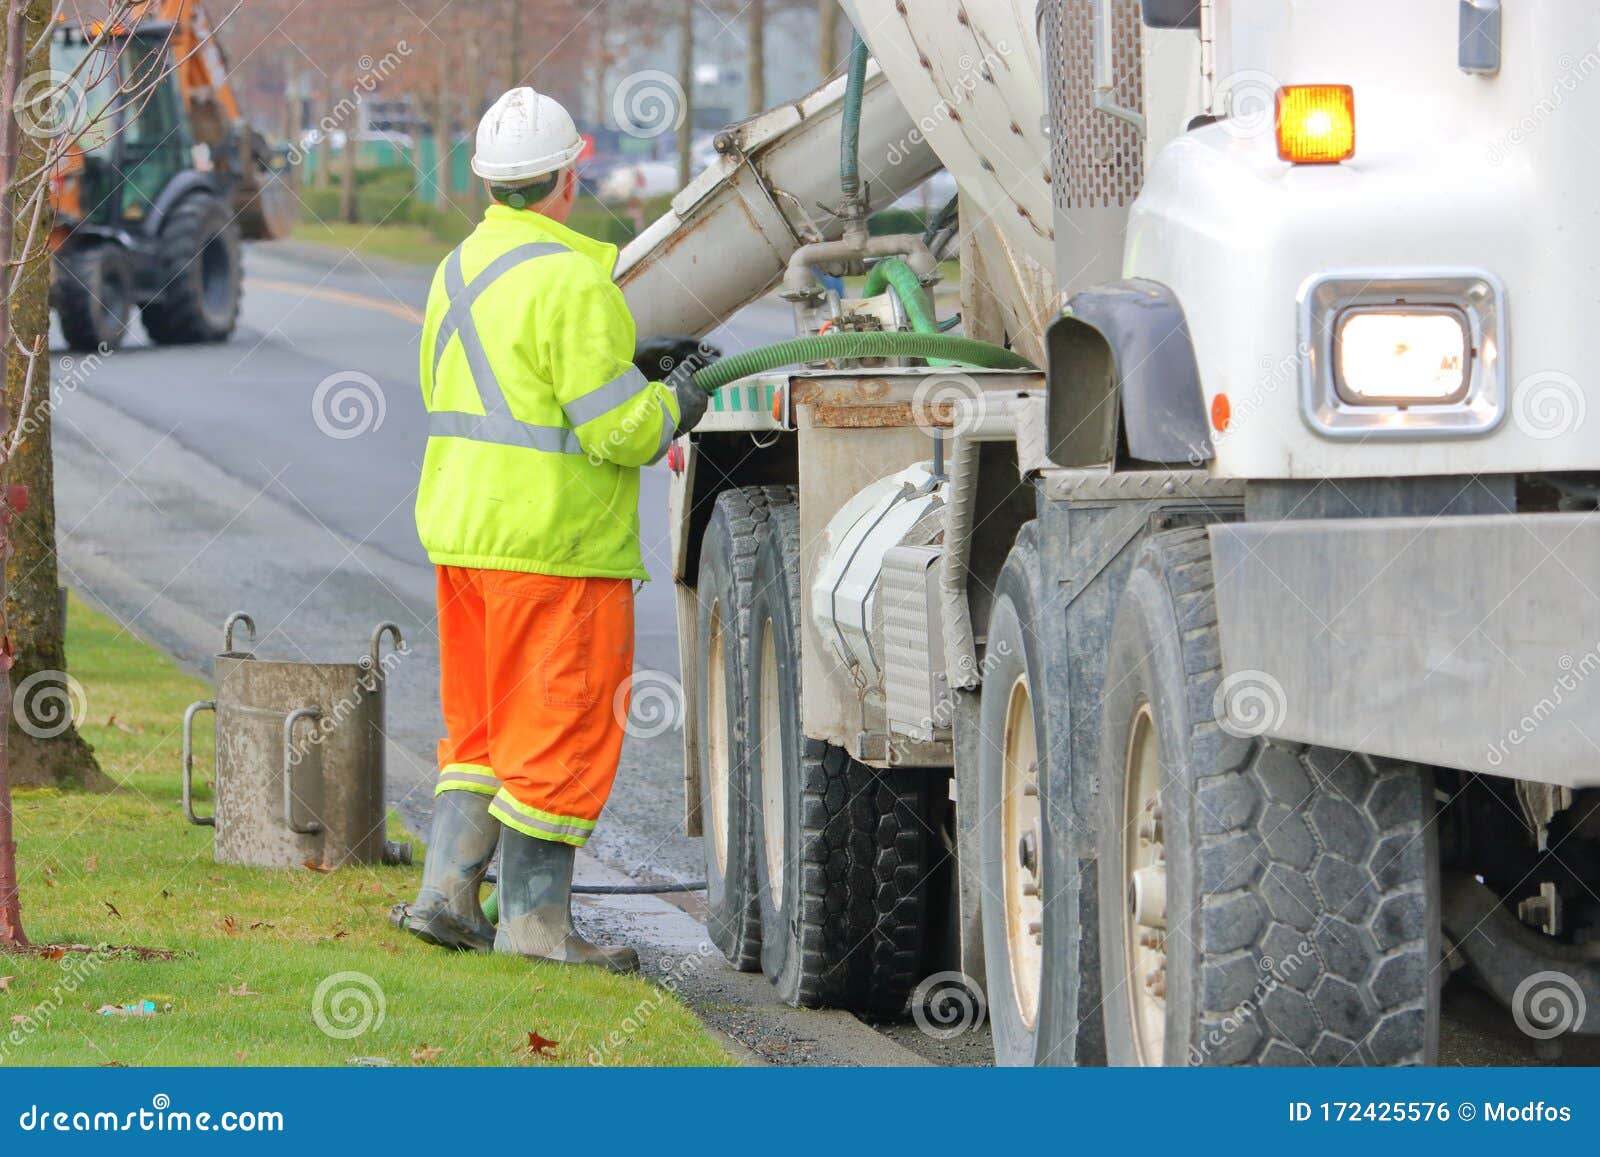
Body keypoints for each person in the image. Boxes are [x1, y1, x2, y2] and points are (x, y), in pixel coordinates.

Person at [394, 87, 711, 971]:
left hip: (465, 535)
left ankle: (445, 897)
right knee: (558, 728)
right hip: (555, 546)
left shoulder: (455, 268)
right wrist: (675, 401)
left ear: (487, 182)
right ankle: (535, 928)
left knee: (482, 730)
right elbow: (621, 431)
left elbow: (498, 383)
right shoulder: (577, 277)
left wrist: (621, 370)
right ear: (570, 176)